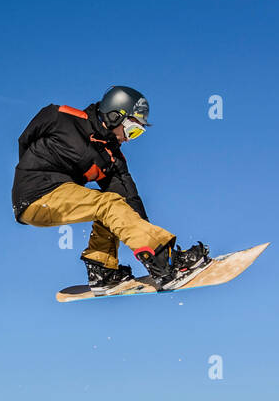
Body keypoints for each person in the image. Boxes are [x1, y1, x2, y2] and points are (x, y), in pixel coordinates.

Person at [13, 85, 209, 290]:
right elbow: (25, 138)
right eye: (132, 130)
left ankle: (102, 269)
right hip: (35, 191)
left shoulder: (112, 159)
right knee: (108, 204)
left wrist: (145, 232)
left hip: (59, 195)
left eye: (137, 134)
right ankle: (165, 264)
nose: (128, 139)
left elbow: (130, 204)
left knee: (116, 204)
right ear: (115, 116)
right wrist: (31, 170)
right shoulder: (63, 118)